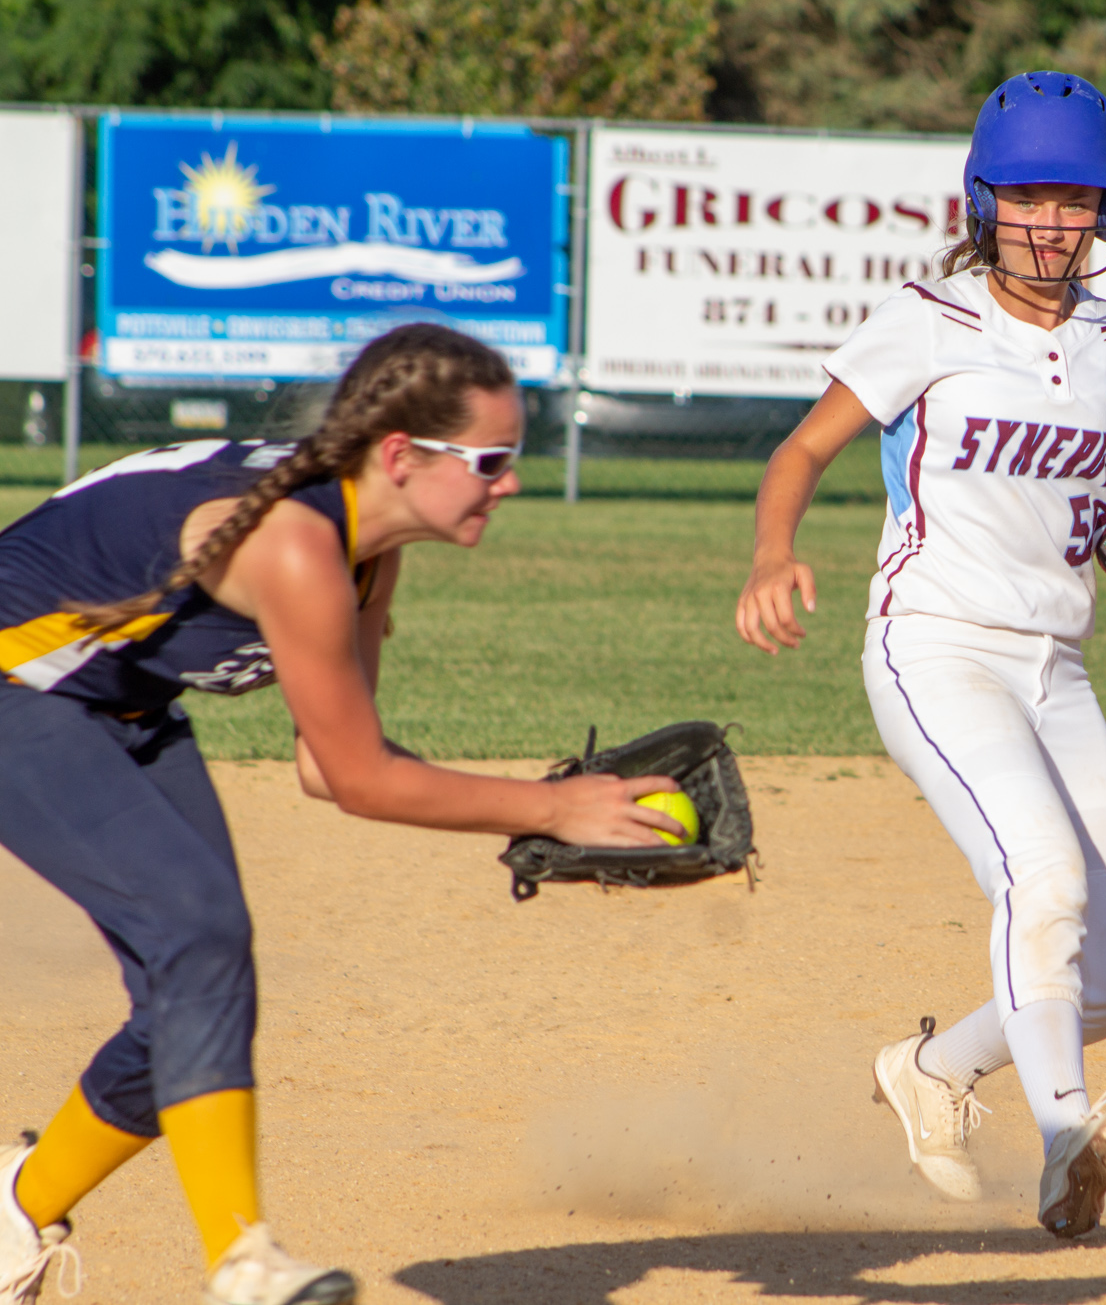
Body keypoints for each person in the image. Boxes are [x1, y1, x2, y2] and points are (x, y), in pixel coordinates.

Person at [0, 324, 684, 1305]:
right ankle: (242, 1261)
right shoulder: (294, 544)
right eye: (490, 462)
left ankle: (16, 1210)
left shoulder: (366, 551)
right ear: (400, 455)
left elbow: (327, 767)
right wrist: (553, 807)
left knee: (195, 988)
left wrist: (547, 812)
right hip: (16, 691)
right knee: (198, 931)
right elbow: (361, 779)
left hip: (120, 706)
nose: (511, 484)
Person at [735, 70, 1106, 1239]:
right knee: (1042, 880)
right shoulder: (926, 320)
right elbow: (800, 450)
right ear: (984, 202)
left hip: (1056, 666)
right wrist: (771, 554)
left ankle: (929, 1070)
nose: (1050, 222)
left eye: (1074, 200)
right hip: (934, 645)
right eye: (1026, 197)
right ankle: (1065, 1138)